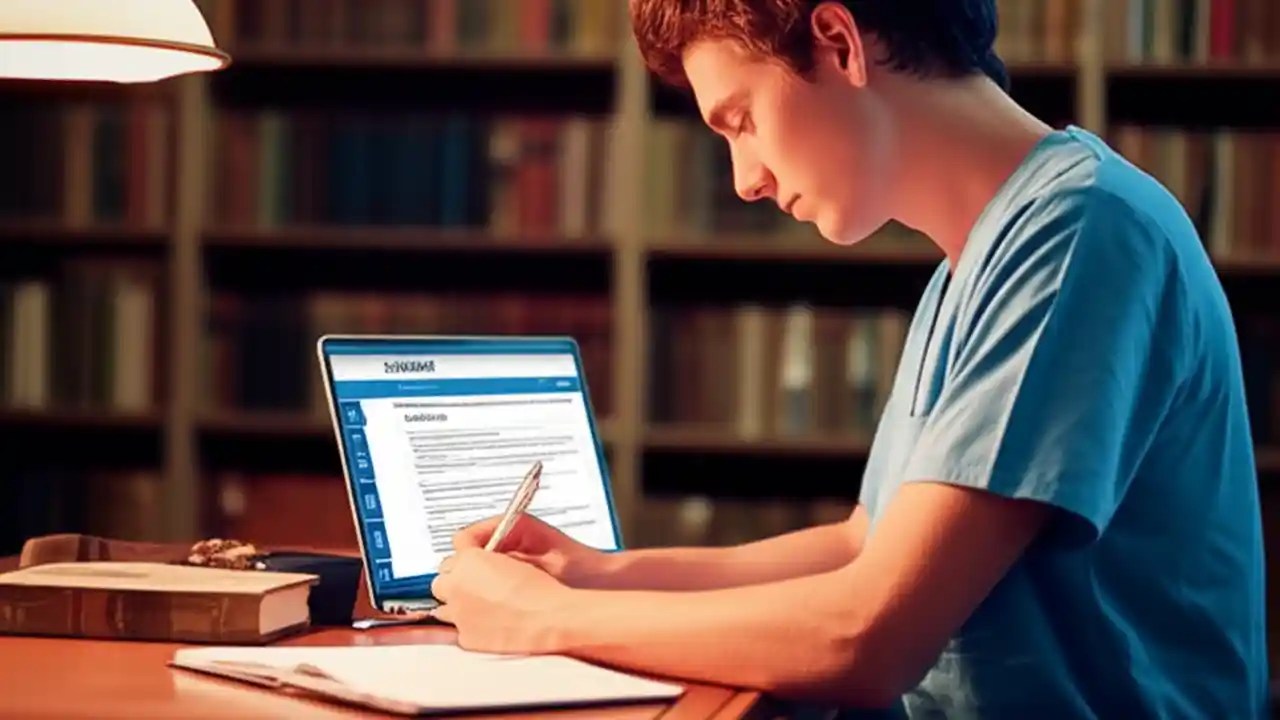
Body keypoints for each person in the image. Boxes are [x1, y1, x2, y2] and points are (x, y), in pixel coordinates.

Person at [427, 1, 1270, 716]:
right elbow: (864, 546)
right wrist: (597, 576)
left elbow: (869, 635)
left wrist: (546, 622)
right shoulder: (973, 263)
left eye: (741, 119)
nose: (744, 180)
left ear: (839, 42)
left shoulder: (1081, 235)